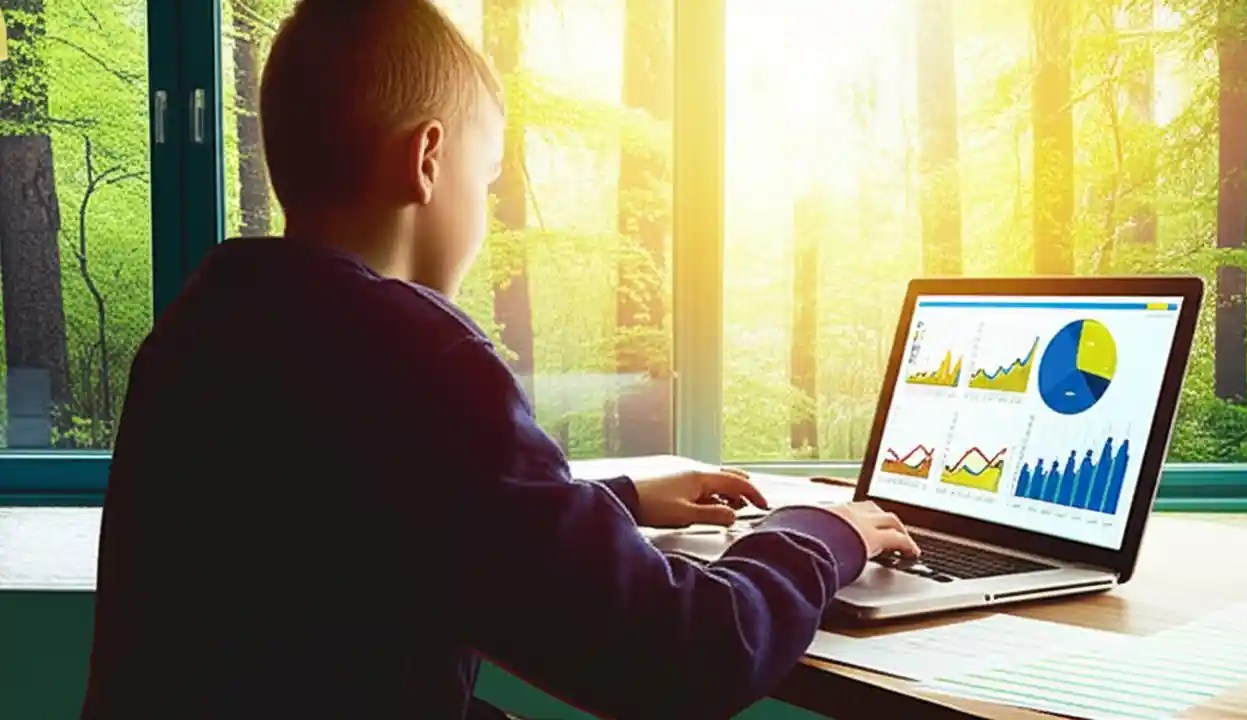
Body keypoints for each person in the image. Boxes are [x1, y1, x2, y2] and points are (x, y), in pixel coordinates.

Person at [81, 1, 919, 718]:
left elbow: (387, 520)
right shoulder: (413, 355)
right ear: (428, 160)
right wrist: (820, 532)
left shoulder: (211, 329)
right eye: (484, 181)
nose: (483, 214)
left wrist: (618, 500)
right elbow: (685, 659)